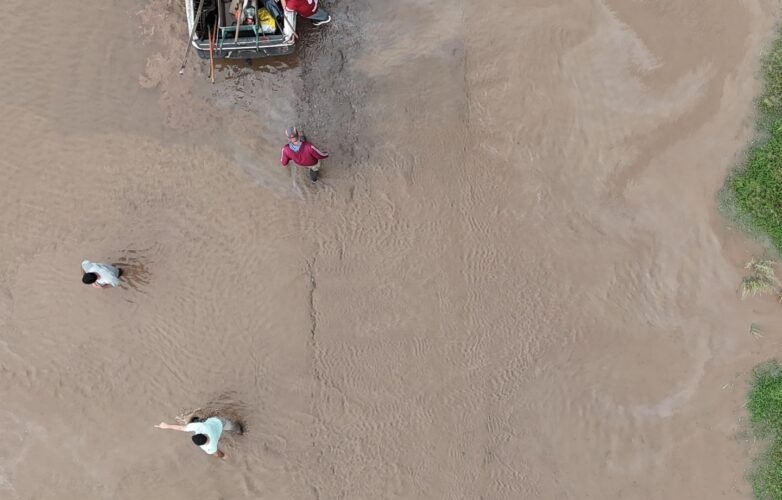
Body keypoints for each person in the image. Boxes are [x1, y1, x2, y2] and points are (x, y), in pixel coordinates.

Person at [155, 417, 242, 459]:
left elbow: (218, 453)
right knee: (236, 428)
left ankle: (239, 430)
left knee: (236, 428)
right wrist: (166, 426)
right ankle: (239, 430)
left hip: (220, 424)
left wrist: (224, 457)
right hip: (215, 420)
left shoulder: (209, 447)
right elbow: (180, 428)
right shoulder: (199, 427)